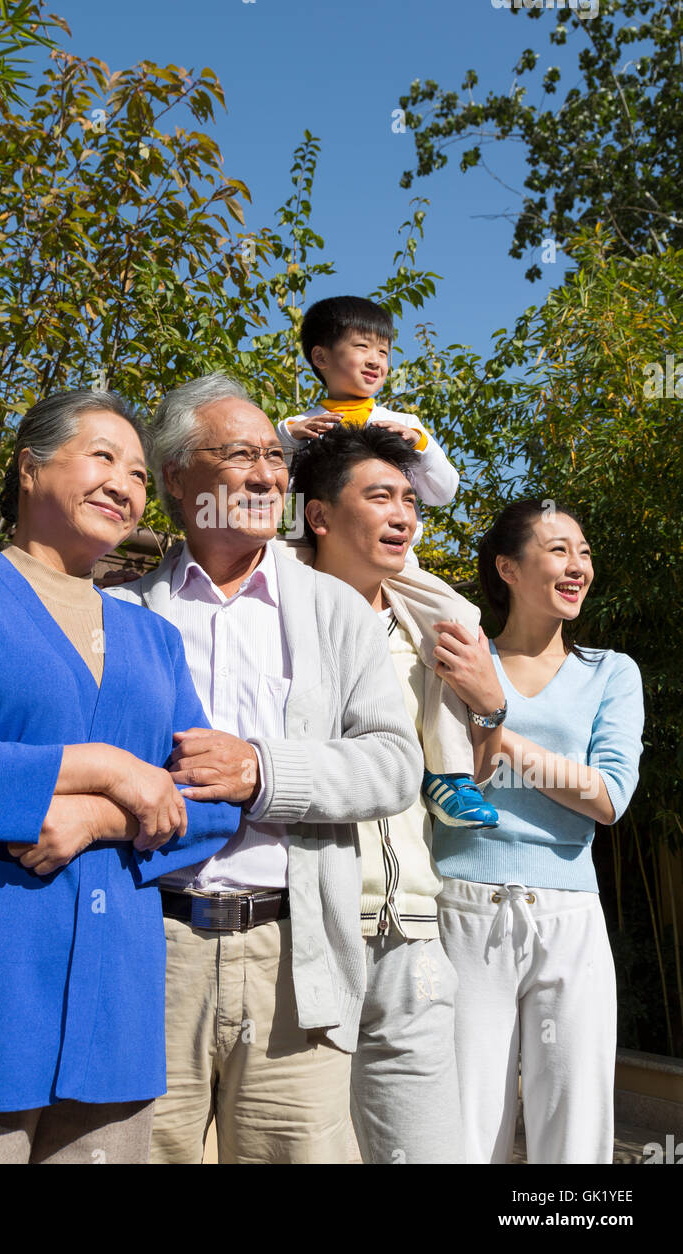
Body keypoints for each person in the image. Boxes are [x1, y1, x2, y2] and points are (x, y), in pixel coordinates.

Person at [0, 373, 424, 1166]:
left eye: (276, 456)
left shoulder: (333, 607)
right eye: (241, 453)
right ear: (182, 479)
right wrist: (106, 778)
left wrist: (250, 773)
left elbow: (393, 766)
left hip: (288, 955)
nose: (269, 473)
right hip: (150, 951)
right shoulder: (134, 610)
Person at [0, 389, 242, 1165]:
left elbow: (207, 801)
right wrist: (103, 769)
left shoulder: (155, 640)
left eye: (137, 473)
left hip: (111, 1006)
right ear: (30, 469)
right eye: (101, 457)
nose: (123, 485)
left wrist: (101, 817)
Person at [288, 423, 505, 1164]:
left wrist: (488, 705)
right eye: (379, 496)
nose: (403, 515)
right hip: (304, 926)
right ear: (318, 516)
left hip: (413, 925)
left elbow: (473, 772)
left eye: (410, 500)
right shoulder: (266, 615)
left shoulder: (427, 627)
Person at [432, 498, 644, 1164]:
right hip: (464, 908)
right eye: (558, 550)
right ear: (508, 568)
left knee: (575, 1131)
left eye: (582, 552)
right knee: (463, 1130)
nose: (577, 564)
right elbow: (438, 777)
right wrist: (483, 718)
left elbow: (608, 797)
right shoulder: (459, 660)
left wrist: (502, 730)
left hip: (567, 915)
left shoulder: (612, 673)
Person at [276, 295, 497, 829]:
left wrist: (421, 445)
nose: (376, 359)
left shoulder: (402, 423)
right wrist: (282, 441)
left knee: (457, 623)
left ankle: (449, 773)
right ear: (321, 358)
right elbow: (274, 503)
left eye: (384, 350)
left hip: (399, 571)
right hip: (306, 553)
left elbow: (444, 491)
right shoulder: (297, 425)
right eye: (361, 347)